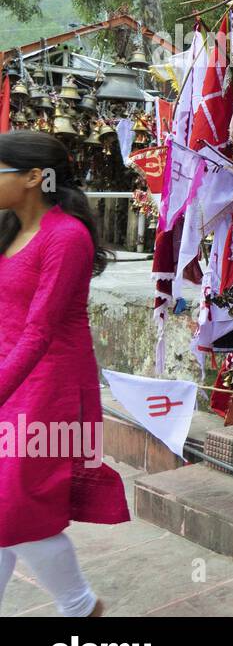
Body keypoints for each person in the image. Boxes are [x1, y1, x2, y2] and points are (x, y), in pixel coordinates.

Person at [0, 131, 128, 616]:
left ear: (33, 177)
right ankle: (80, 607)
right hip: (13, 379)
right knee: (5, 506)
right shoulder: (9, 229)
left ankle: (80, 607)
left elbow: (38, 333)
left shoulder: (66, 237)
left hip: (49, 387)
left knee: (19, 507)